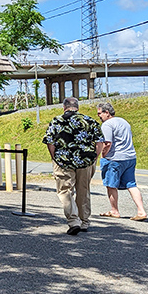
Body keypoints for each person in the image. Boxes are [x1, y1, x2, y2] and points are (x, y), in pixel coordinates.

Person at [43, 97, 104, 235]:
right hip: (85, 160)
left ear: (64, 107)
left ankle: (73, 220)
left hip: (63, 160)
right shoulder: (89, 121)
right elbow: (99, 142)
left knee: (65, 190)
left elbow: (50, 142)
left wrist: (55, 158)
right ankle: (84, 221)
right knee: (83, 190)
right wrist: (94, 157)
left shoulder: (57, 121)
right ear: (77, 107)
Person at [97, 102, 147, 221]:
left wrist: (103, 155)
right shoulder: (124, 121)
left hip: (115, 158)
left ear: (107, 113)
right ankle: (141, 211)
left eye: (100, 113)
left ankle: (114, 211)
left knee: (110, 185)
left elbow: (107, 143)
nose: (98, 116)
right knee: (131, 184)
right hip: (130, 157)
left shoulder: (107, 125)